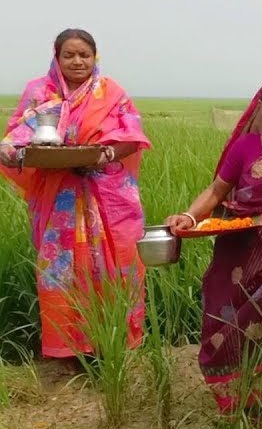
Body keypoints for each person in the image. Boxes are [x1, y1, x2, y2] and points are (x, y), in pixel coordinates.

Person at [166, 75, 262, 429]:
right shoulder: (247, 146)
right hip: (237, 250)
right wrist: (189, 216)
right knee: (223, 331)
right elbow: (217, 191)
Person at [0, 29, 151, 362]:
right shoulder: (39, 92)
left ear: (95, 57)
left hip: (108, 199)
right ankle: (68, 355)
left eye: (84, 54)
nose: (77, 61)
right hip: (59, 202)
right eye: (69, 54)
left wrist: (104, 156)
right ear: (57, 57)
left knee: (114, 269)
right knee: (61, 272)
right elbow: (15, 138)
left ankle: (113, 350)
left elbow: (132, 135)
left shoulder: (111, 92)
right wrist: (11, 153)